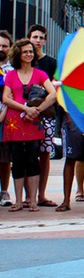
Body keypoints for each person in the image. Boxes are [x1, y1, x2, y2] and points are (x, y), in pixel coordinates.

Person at [2, 39, 57, 212]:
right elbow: (5, 98)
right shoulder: (10, 74)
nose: (28, 54)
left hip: (34, 121)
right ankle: (18, 200)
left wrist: (37, 109)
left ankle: (32, 200)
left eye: (31, 51)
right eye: (25, 51)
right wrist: (26, 108)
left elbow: (53, 94)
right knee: (17, 161)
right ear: (18, 53)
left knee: (33, 159)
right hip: (14, 122)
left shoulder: (40, 74)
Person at [28, 24, 58, 208]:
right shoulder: (23, 60)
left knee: (45, 154)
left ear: (45, 41)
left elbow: (56, 87)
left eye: (41, 38)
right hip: (24, 114)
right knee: (25, 155)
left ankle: (41, 194)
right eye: (35, 37)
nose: (38, 41)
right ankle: (27, 196)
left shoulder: (51, 63)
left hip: (46, 113)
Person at [0, 29, 13, 207]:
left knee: (4, 158)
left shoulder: (13, 70)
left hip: (8, 118)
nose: (1, 48)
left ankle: (4, 191)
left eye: (4, 45)